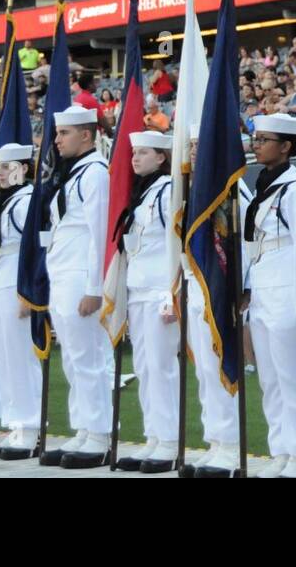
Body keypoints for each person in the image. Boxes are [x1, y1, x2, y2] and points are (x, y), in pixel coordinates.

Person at [39, 105, 113, 468]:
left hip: (81, 275)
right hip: (62, 271)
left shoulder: (96, 172)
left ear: (86, 135)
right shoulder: (73, 173)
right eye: (57, 133)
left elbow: (99, 233)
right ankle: (83, 429)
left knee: (89, 358)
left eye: (64, 133)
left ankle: (99, 435)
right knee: (72, 358)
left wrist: (94, 286)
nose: (57, 140)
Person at [243, 114, 296, 479]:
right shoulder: (263, 185)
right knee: (269, 380)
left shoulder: (295, 188)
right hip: (262, 289)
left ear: (286, 146)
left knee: (294, 380)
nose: (256, 146)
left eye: (264, 140)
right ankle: (281, 451)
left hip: (288, 289)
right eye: (255, 140)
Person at [177, 123, 246, 477]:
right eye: (189, 146)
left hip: (219, 293)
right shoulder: (190, 193)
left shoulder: (233, 193)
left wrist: (240, 291)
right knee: (204, 371)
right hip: (195, 290)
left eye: (199, 146)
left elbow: (241, 247)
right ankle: (215, 441)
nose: (192, 153)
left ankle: (231, 446)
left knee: (220, 367)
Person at [113, 131, 179, 474]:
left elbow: (175, 244)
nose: (135, 158)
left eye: (143, 152)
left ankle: (169, 441)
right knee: (143, 367)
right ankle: (153, 436)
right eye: (134, 152)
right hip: (139, 290)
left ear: (162, 157)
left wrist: (172, 292)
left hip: (158, 291)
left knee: (160, 365)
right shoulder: (142, 193)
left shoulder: (167, 190)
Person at [0, 143, 41, 461]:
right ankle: (15, 425)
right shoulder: (5, 201)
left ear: (22, 168)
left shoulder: (24, 200)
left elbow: (33, 251)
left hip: (15, 285)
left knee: (21, 357)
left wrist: (28, 293)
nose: (2, 174)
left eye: (7, 168)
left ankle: (30, 428)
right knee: (5, 358)